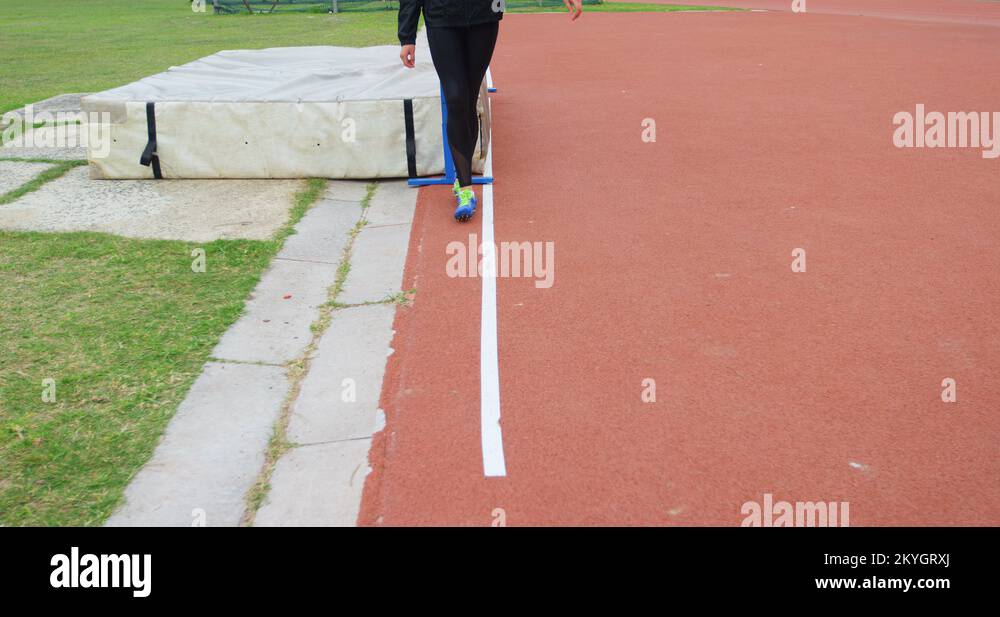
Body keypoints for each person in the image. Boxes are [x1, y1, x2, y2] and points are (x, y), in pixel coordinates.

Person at [399, 0, 582, 221]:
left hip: (484, 15)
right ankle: (465, 188)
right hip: (441, 17)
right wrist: (407, 36)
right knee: (455, 97)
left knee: (469, 96)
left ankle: (461, 178)